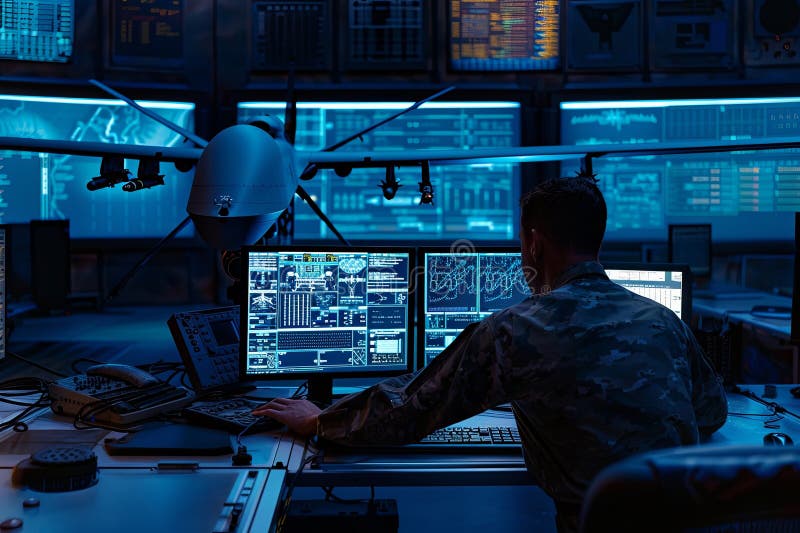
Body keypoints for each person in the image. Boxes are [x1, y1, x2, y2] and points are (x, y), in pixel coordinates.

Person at [252, 174, 728, 532]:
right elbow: (711, 411)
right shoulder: (663, 320)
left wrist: (321, 421)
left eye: (524, 242)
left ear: (535, 244)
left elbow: (411, 407)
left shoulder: (517, 330)